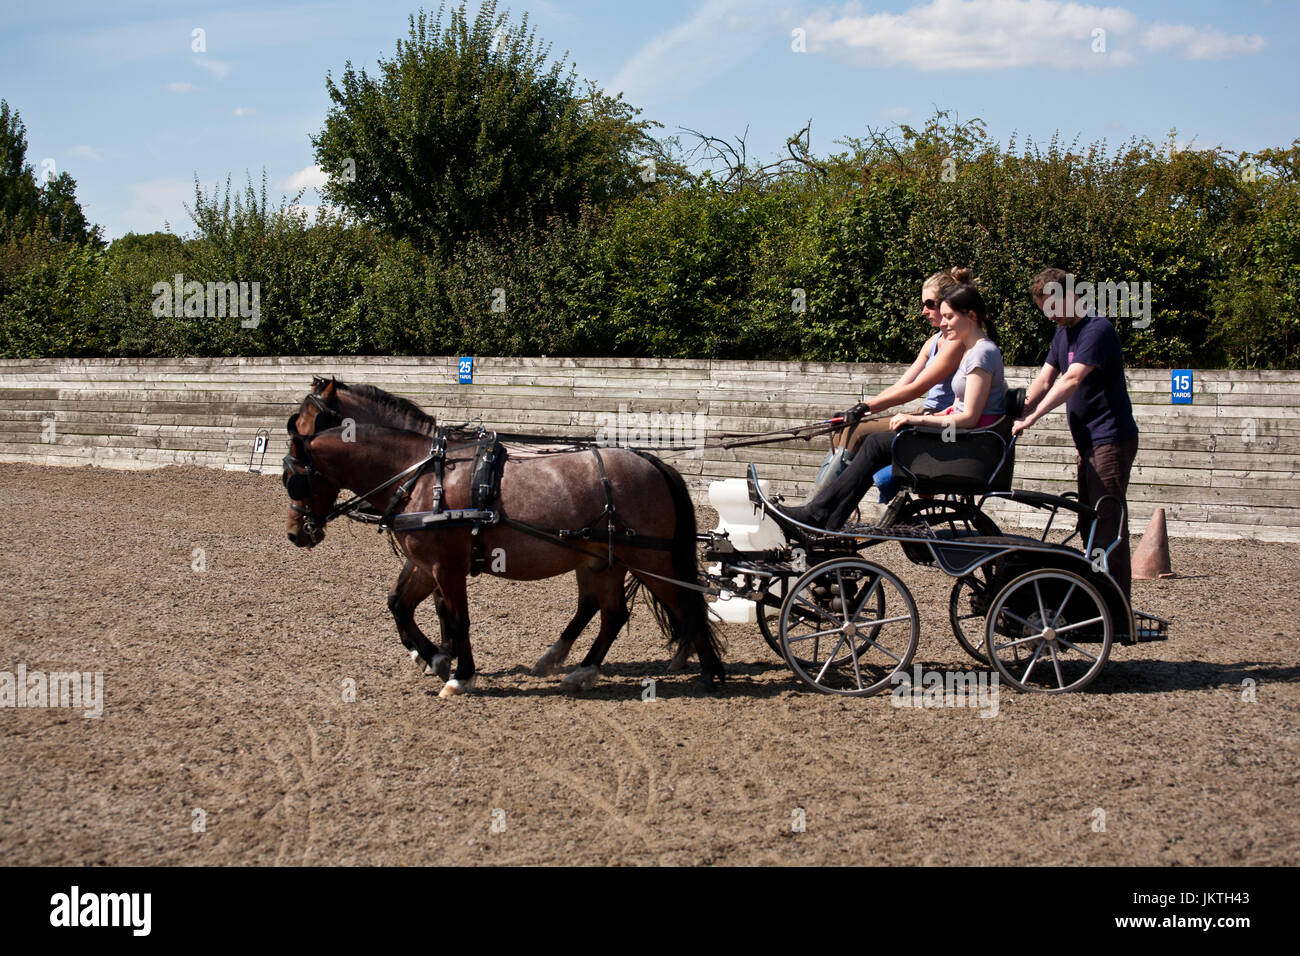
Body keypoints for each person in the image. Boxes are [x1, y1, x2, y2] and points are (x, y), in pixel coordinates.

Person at [780, 280, 1006, 531]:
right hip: (962, 437)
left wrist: (915, 420)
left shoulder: (981, 353)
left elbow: (970, 418)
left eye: (949, 317)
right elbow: (956, 407)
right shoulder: (974, 350)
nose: (943, 323)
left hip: (967, 443)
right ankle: (824, 521)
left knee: (876, 442)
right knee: (875, 442)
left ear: (971, 315)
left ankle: (818, 515)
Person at [1013, 267, 1140, 602]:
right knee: (1090, 523)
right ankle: (1094, 600)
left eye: (1053, 309)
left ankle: (1113, 606)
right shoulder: (1063, 334)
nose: (1050, 318)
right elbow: (1043, 381)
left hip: (1110, 439)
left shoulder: (1096, 330)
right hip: (1089, 444)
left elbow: (1070, 381)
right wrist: (1014, 412)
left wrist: (1034, 417)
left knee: (1106, 523)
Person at [808, 267, 971, 497]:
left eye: (930, 304)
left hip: (941, 421)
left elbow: (917, 388)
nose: (924, 311)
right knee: (841, 431)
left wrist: (866, 408)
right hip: (927, 415)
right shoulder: (932, 342)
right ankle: (829, 505)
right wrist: (861, 408)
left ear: (948, 303)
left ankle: (818, 505)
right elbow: (901, 385)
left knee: (855, 433)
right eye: (922, 305)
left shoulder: (955, 343)